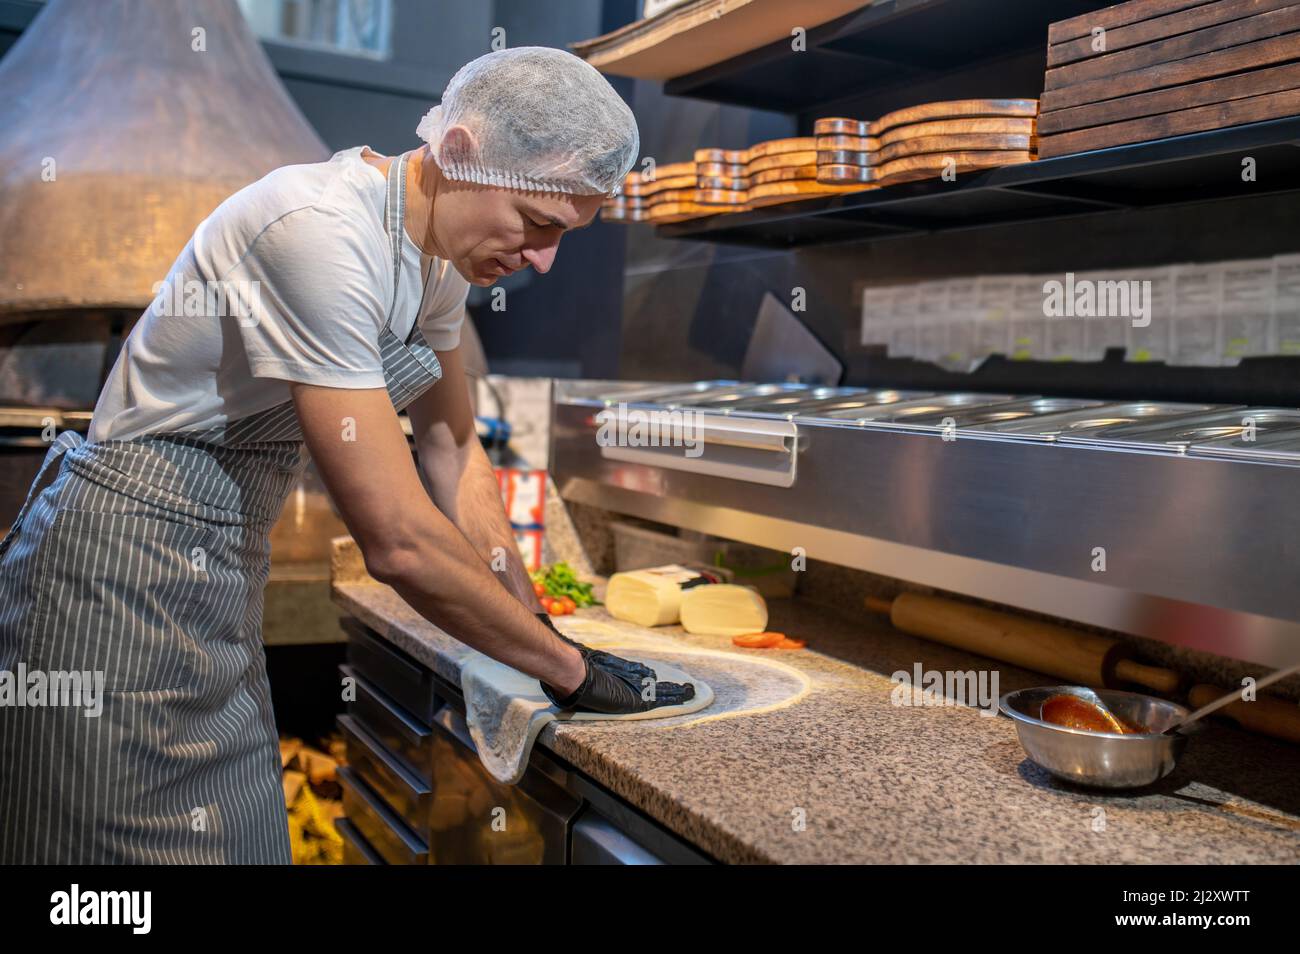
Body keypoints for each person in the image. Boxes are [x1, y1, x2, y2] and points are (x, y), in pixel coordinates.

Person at [0, 47, 692, 864]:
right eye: (538, 223)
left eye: (564, 235)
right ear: (461, 150)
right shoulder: (318, 232)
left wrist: (527, 615)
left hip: (216, 571)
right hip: (113, 573)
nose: (544, 260)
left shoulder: (438, 259)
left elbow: (452, 444)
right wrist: (571, 671)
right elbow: (396, 539)